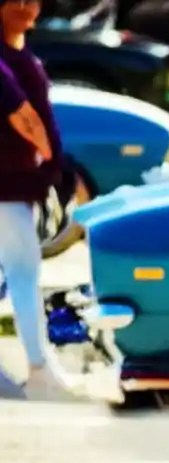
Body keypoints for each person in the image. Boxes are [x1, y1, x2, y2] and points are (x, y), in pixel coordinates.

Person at [0, 0, 82, 400]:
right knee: (24, 272)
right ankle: (38, 367)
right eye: (16, 0)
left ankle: (36, 367)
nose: (28, 7)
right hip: (5, 188)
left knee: (16, 273)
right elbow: (24, 116)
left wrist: (54, 171)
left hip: (20, 186)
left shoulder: (22, 54)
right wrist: (50, 157)